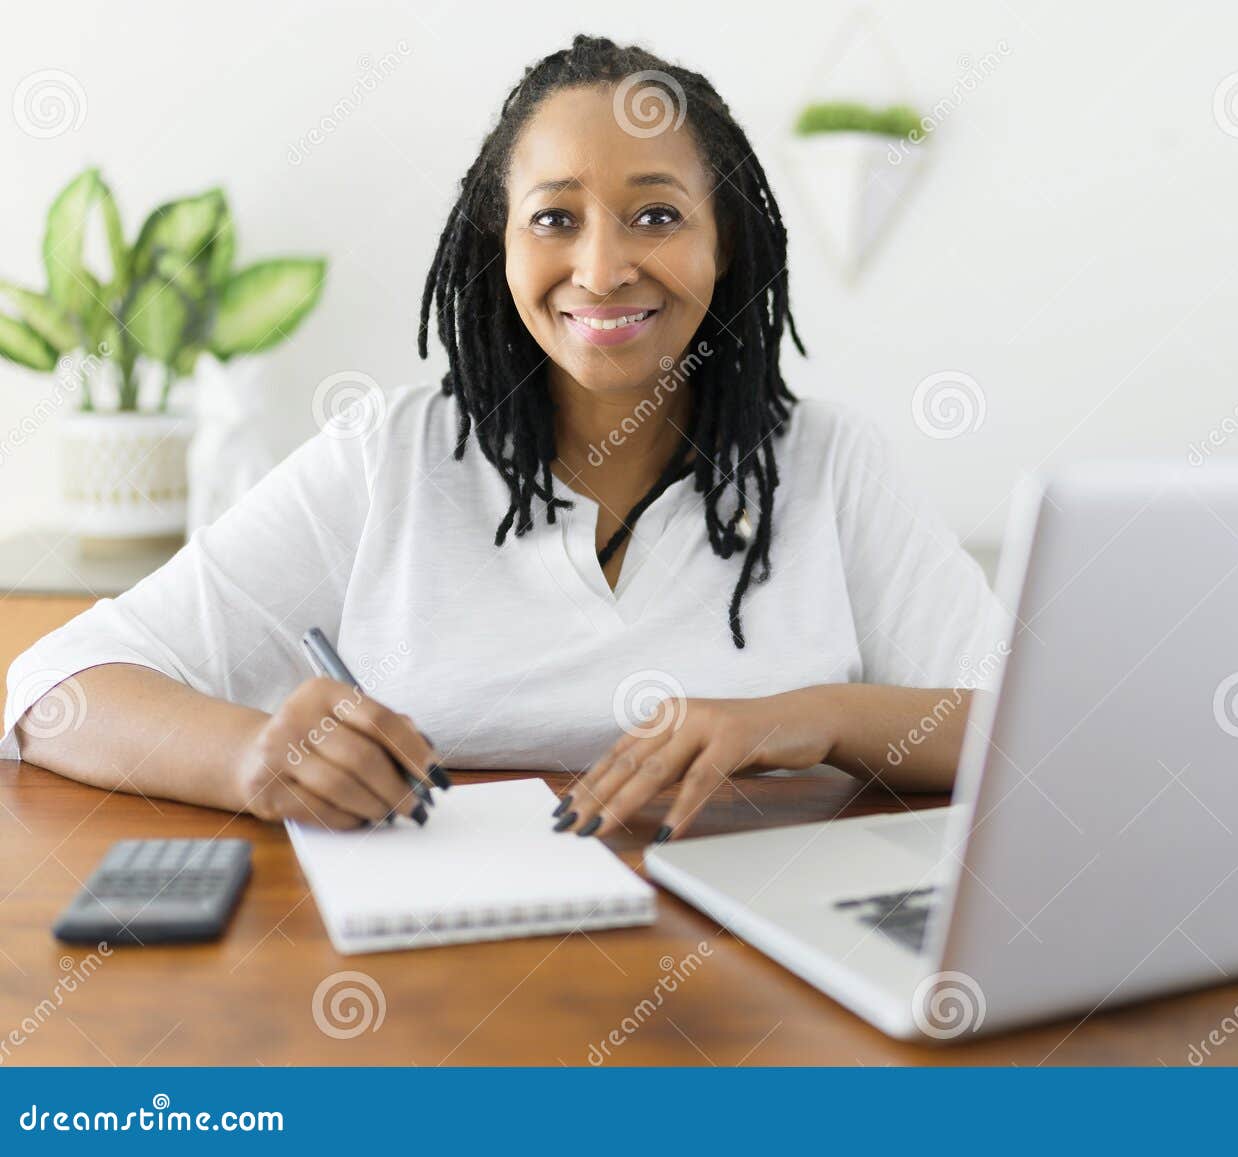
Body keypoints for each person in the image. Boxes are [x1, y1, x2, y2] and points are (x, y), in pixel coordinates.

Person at [3, 35, 1007, 843]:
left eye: (656, 214)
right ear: (500, 243)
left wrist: (812, 716)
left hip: (753, 979)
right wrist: (251, 759)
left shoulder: (831, 464)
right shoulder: (387, 457)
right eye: (555, 218)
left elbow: (1024, 732)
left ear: (725, 240)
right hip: (443, 972)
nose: (602, 269)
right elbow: (54, 688)